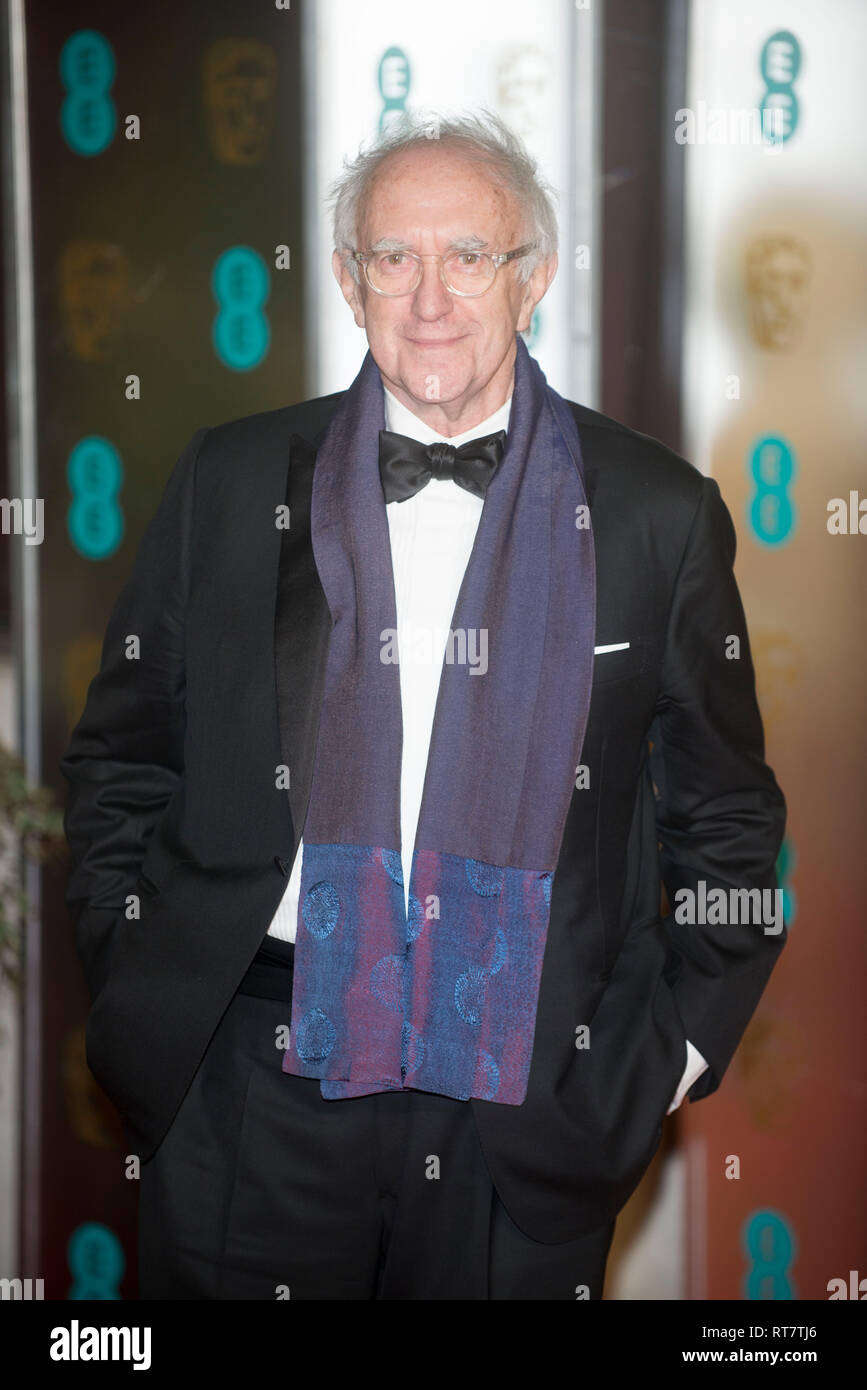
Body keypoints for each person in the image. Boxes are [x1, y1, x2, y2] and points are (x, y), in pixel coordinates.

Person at [60, 110, 787, 1301]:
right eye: (394, 258)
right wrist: (149, 972)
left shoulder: (659, 514)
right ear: (349, 282)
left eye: (470, 256)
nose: (432, 297)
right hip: (252, 1081)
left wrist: (666, 1060)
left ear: (534, 276)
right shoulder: (230, 482)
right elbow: (122, 759)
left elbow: (732, 828)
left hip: (531, 1100)